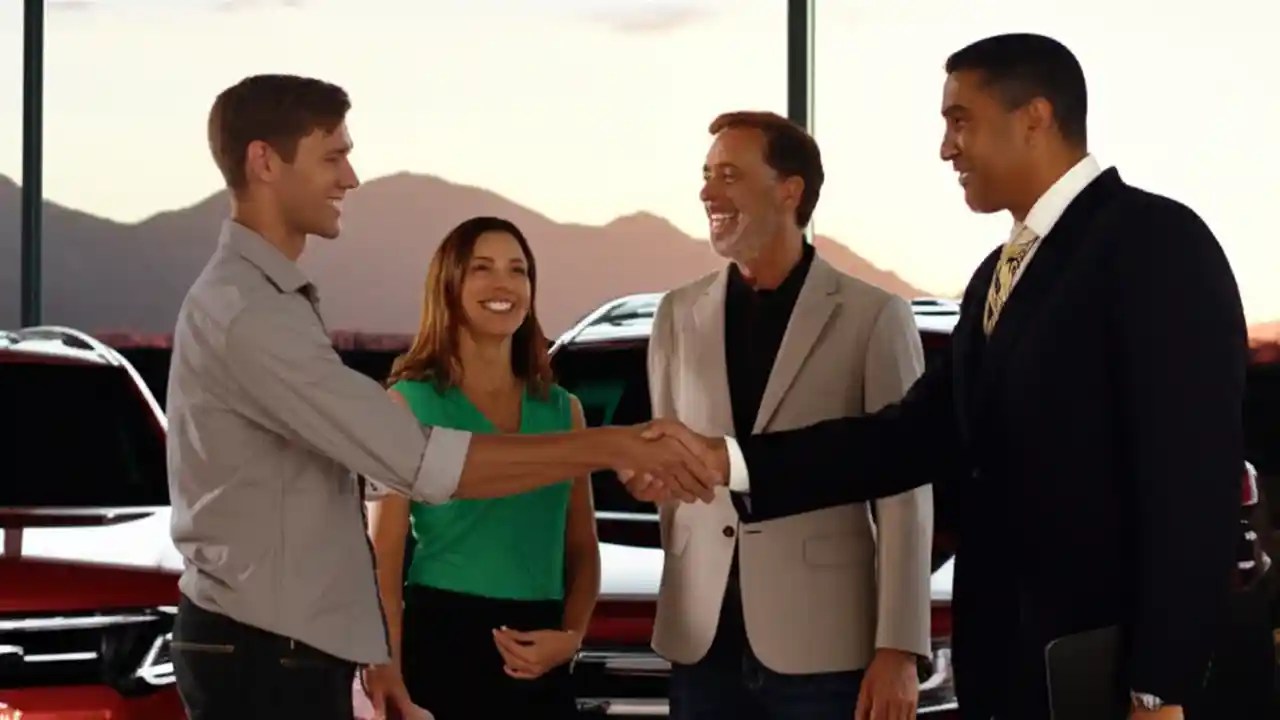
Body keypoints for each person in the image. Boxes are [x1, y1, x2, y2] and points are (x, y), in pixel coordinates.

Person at [637, 33, 1249, 720]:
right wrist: (728, 461)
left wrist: (1159, 687)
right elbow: (909, 439)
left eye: (960, 121)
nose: (946, 148)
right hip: (1011, 674)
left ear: (1034, 118)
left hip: (1106, 677)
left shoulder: (1155, 243)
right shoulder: (996, 276)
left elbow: (1191, 482)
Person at [165, 74, 718, 720]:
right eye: (332, 157)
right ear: (265, 161)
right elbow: (419, 463)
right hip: (265, 652)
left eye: (517, 270)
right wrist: (614, 445)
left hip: (280, 648)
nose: (350, 178)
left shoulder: (266, 303)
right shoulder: (251, 314)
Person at [646, 110, 932, 720]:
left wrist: (899, 647)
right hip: (701, 640)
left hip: (826, 646)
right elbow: (667, 469)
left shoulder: (875, 316)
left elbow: (906, 490)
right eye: (706, 175)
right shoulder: (675, 315)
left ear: (789, 190)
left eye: (729, 175)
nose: (708, 193)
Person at [361, 216, 599, 719]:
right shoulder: (405, 405)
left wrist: (571, 637)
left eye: (518, 270)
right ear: (449, 284)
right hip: (441, 646)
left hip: (542, 657)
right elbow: (383, 558)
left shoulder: (565, 411)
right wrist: (385, 666)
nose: (503, 284)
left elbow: (581, 547)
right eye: (482, 268)